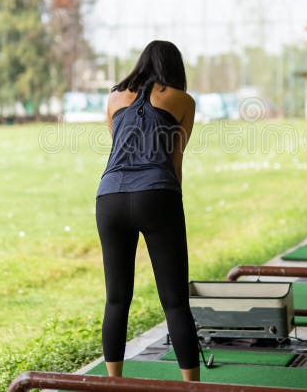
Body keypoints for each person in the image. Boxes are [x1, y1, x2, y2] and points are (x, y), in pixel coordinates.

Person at [96, 40, 199, 381]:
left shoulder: (113, 99)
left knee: (116, 300)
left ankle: (114, 383)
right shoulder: (183, 100)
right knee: (175, 302)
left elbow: (119, 149)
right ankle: (192, 387)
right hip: (157, 196)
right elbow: (175, 159)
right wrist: (174, 205)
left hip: (109, 198)